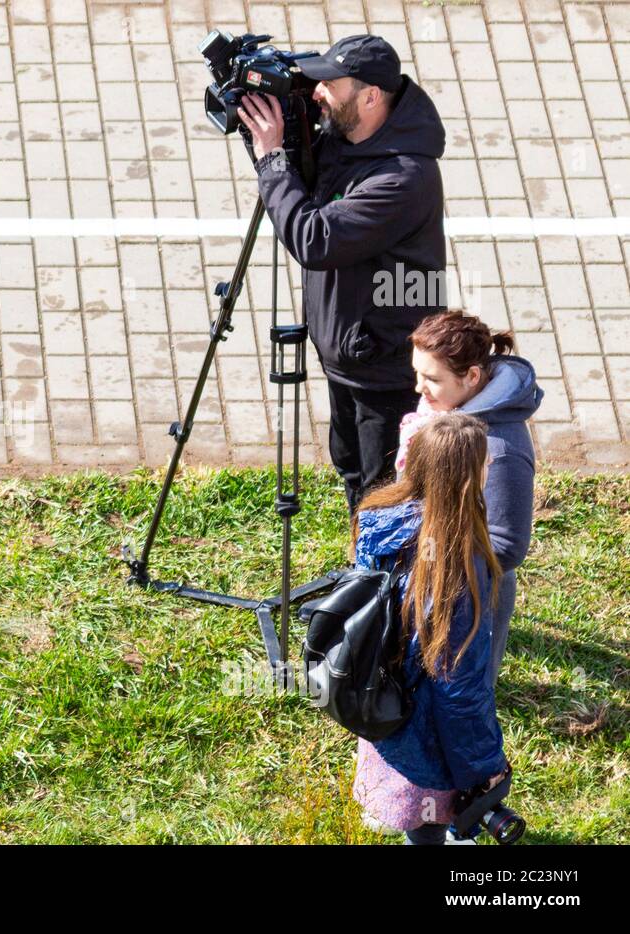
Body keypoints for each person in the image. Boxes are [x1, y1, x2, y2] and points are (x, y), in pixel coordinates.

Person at [239, 35, 447, 514]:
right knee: (352, 469)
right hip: (349, 349)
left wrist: (272, 157)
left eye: (329, 86)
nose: (318, 94)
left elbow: (313, 239)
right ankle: (363, 567)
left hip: (385, 364)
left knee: (385, 494)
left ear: (371, 96)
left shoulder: (402, 177)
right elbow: (300, 186)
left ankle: (387, 581)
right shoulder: (348, 135)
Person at [348, 413, 509, 845]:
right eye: (484, 461)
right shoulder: (461, 568)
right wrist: (484, 766)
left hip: (380, 706)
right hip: (428, 736)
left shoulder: (379, 516)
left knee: (405, 806)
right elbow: (459, 686)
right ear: (464, 482)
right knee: (428, 826)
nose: (491, 465)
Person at [398, 311, 543, 684]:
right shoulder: (443, 410)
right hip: (429, 566)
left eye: (431, 378)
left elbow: (507, 546)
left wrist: (438, 553)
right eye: (418, 373)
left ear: (472, 377)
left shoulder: (501, 449)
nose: (419, 389)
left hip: (471, 594)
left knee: (464, 694)